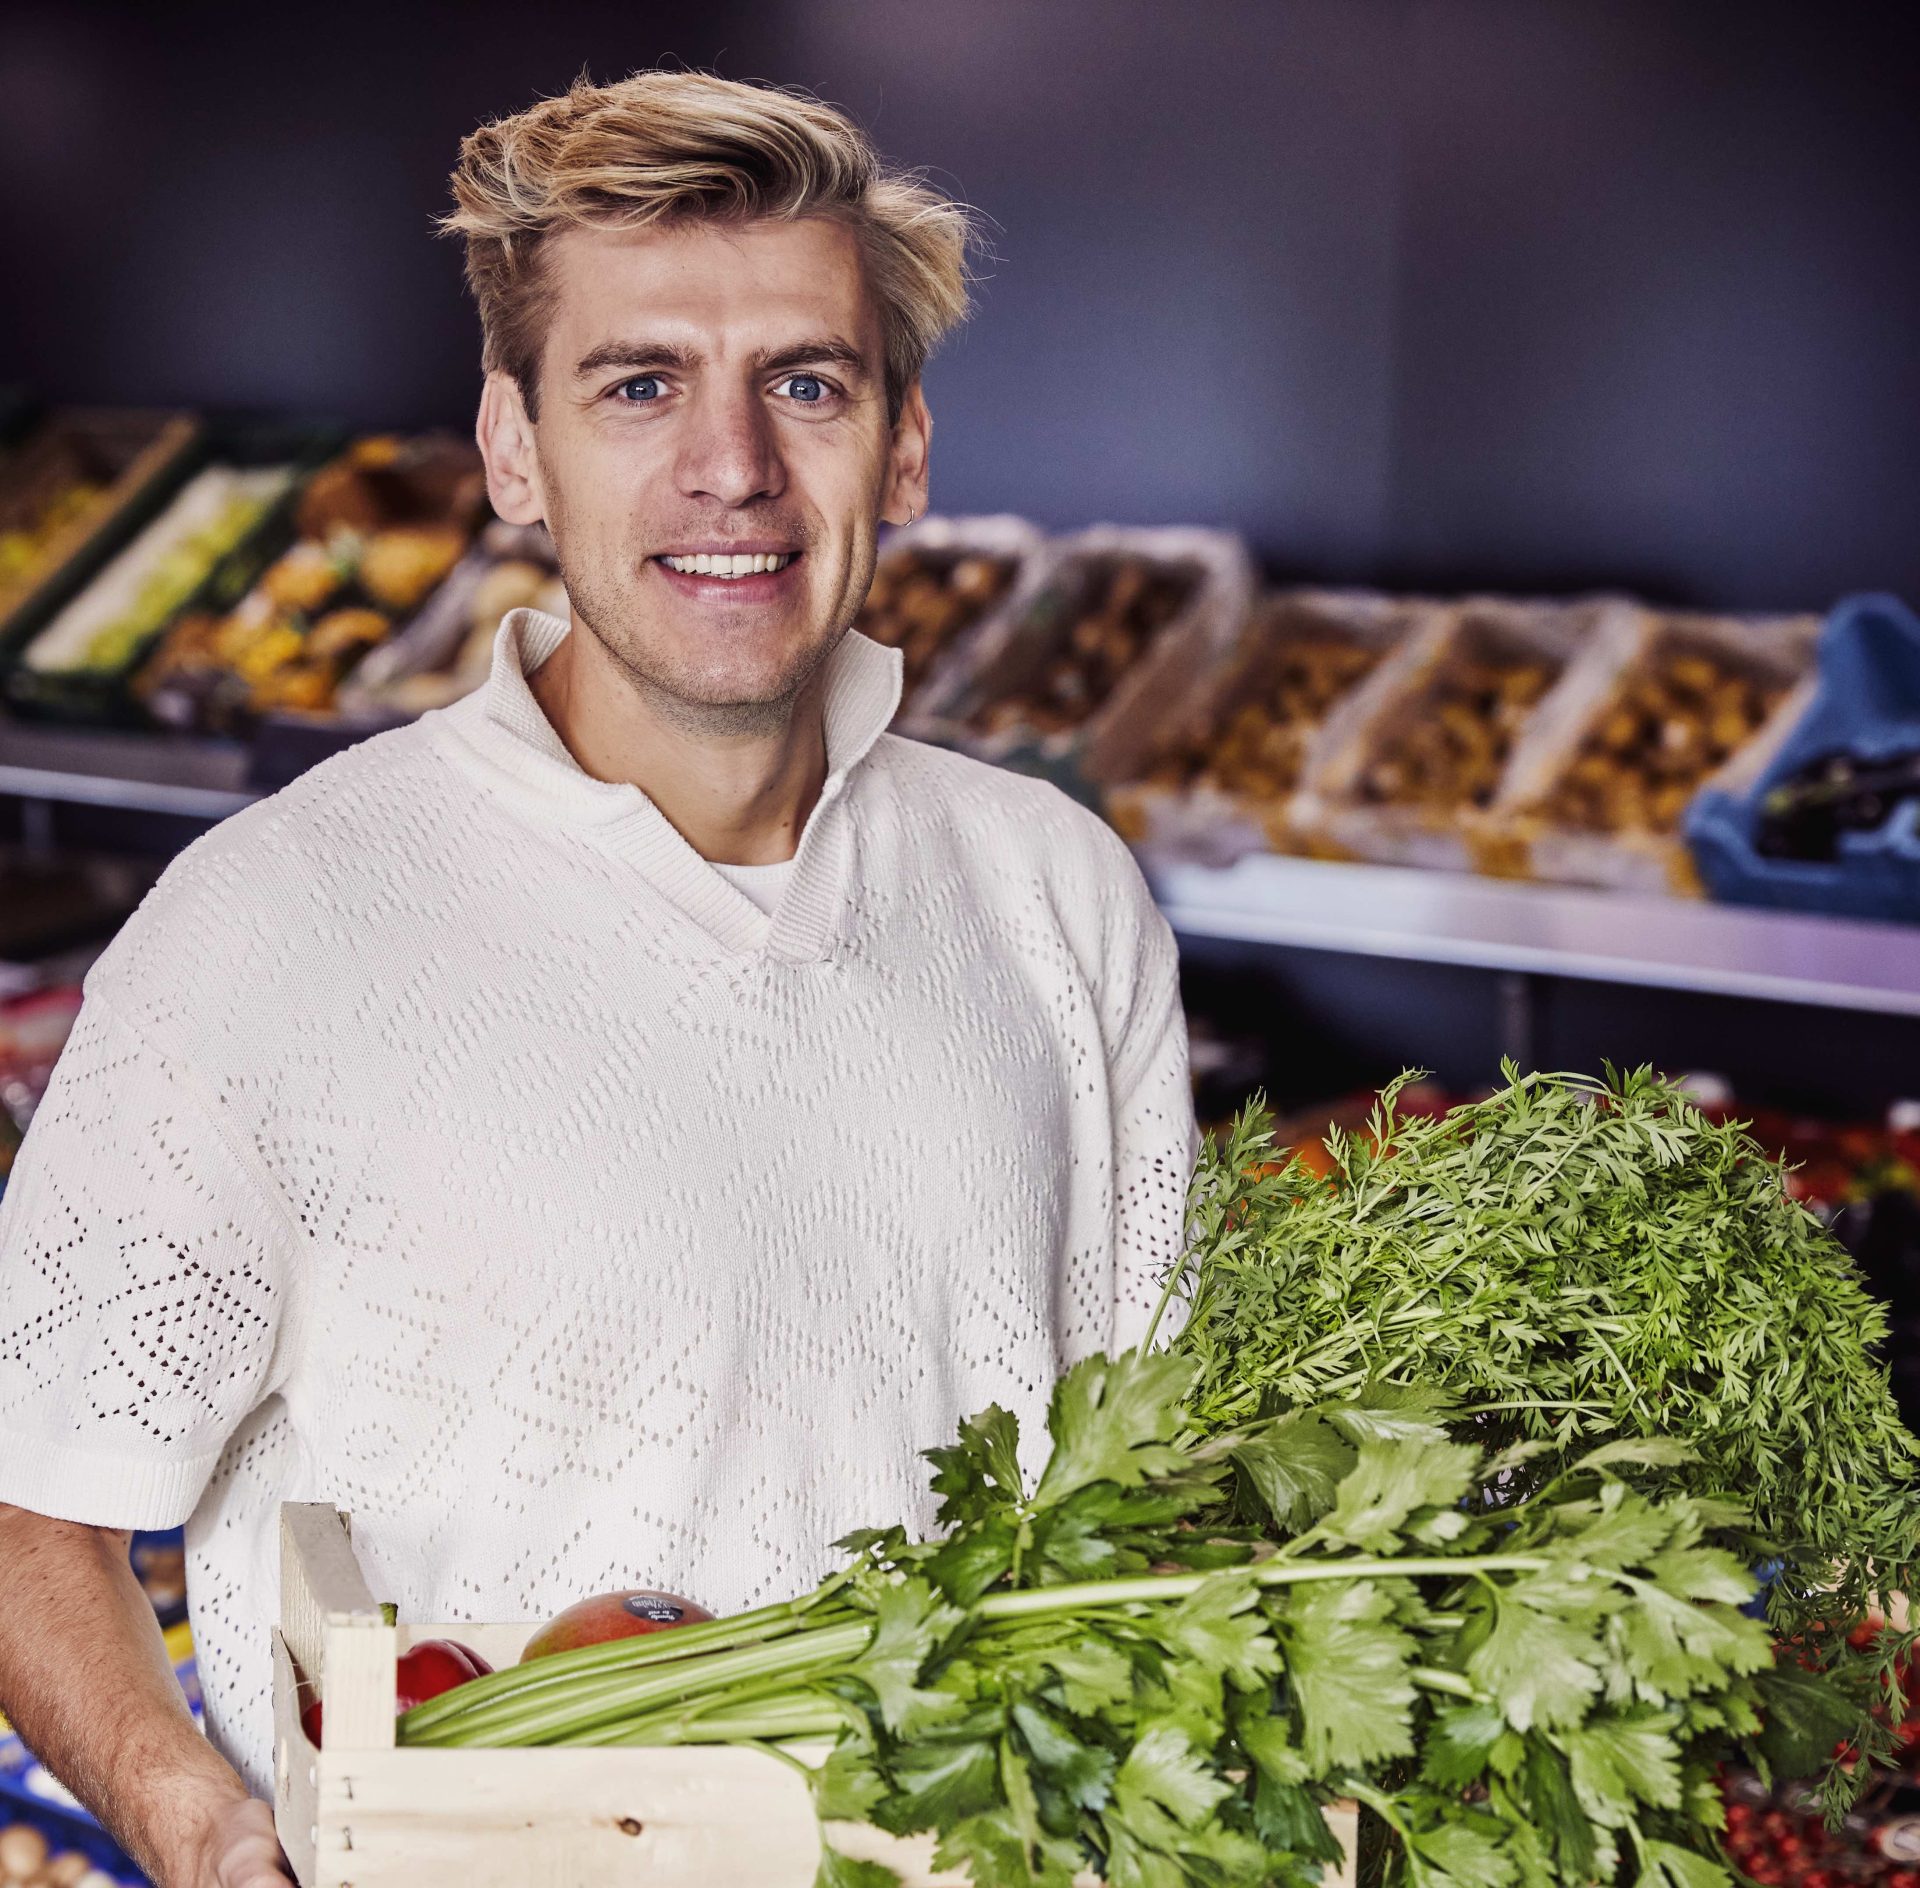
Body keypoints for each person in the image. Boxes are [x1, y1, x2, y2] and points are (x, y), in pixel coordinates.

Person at [0, 70, 1195, 1886]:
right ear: (509, 448)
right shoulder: (273, 924)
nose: (734, 467)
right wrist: (195, 1824)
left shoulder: (1059, 894)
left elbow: (1150, 1476)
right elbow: (32, 1503)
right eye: (639, 386)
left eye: (809, 383)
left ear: (909, 448)